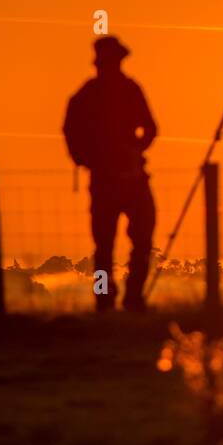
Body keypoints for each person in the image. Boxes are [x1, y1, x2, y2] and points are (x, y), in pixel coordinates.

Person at [63, 36, 158, 311]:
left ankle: (127, 298)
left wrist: (133, 151)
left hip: (127, 177)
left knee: (133, 240)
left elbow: (150, 128)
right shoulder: (92, 94)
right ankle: (114, 299)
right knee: (108, 245)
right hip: (111, 179)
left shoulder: (115, 91)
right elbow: (71, 133)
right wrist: (90, 160)